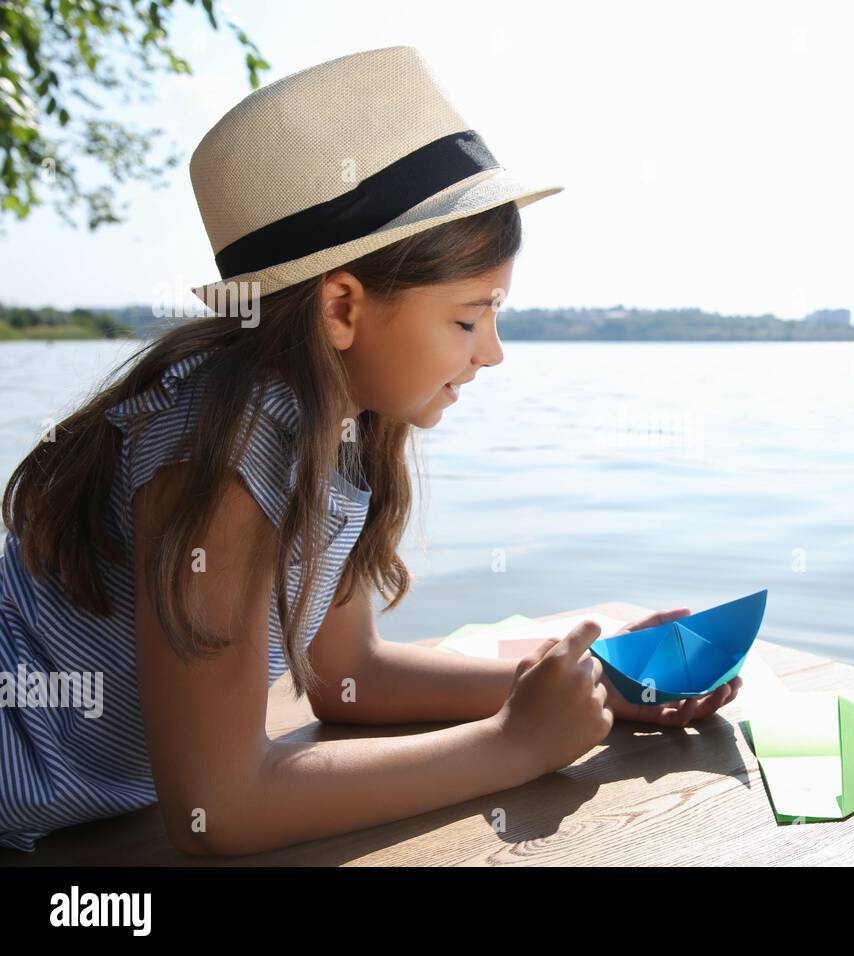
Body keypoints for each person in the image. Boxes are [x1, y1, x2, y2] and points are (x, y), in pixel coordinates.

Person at [0, 46, 740, 856]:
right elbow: (219, 808)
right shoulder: (223, 448)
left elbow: (352, 678)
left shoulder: (340, 426)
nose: (492, 353)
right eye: (468, 319)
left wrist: (599, 682)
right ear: (343, 308)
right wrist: (513, 746)